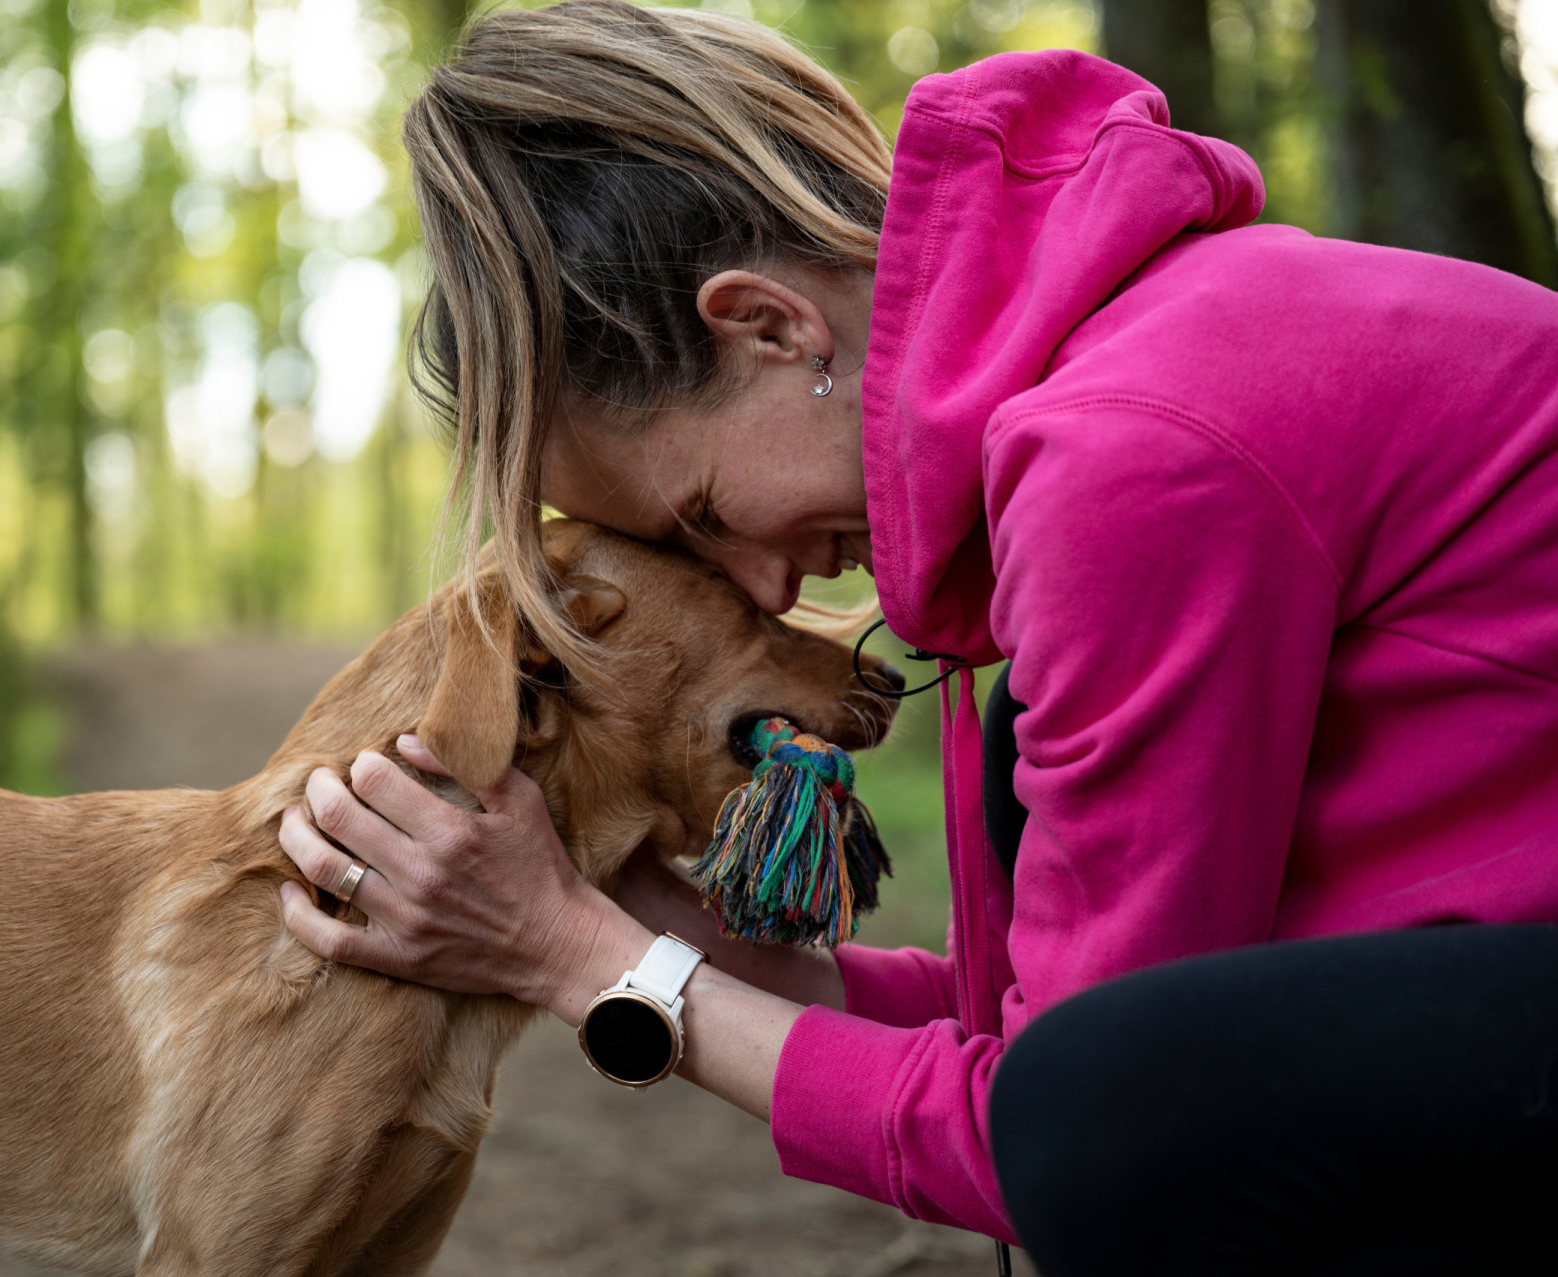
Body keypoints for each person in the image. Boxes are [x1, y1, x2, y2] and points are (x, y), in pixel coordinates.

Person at [271, 3, 1558, 1272]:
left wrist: (582, 960)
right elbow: (1043, 1029)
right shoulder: (1124, 372)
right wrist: (681, 940)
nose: (763, 591)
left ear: (772, 325)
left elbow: (1056, 1121)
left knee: (1111, 1115)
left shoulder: (1136, 450)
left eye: (709, 514)